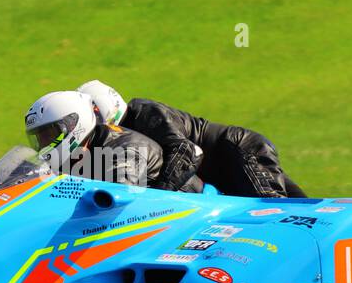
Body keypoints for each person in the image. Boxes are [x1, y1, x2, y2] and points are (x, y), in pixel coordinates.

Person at [78, 80, 307, 198]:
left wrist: (157, 197)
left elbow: (188, 152)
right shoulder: (121, 136)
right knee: (300, 207)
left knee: (274, 212)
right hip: (221, 171)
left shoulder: (145, 114)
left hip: (239, 152)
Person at [24, 90, 170, 190]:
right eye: (39, 138)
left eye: (49, 135)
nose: (44, 144)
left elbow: (119, 195)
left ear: (74, 123)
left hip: (177, 224)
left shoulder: (126, 149)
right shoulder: (75, 153)